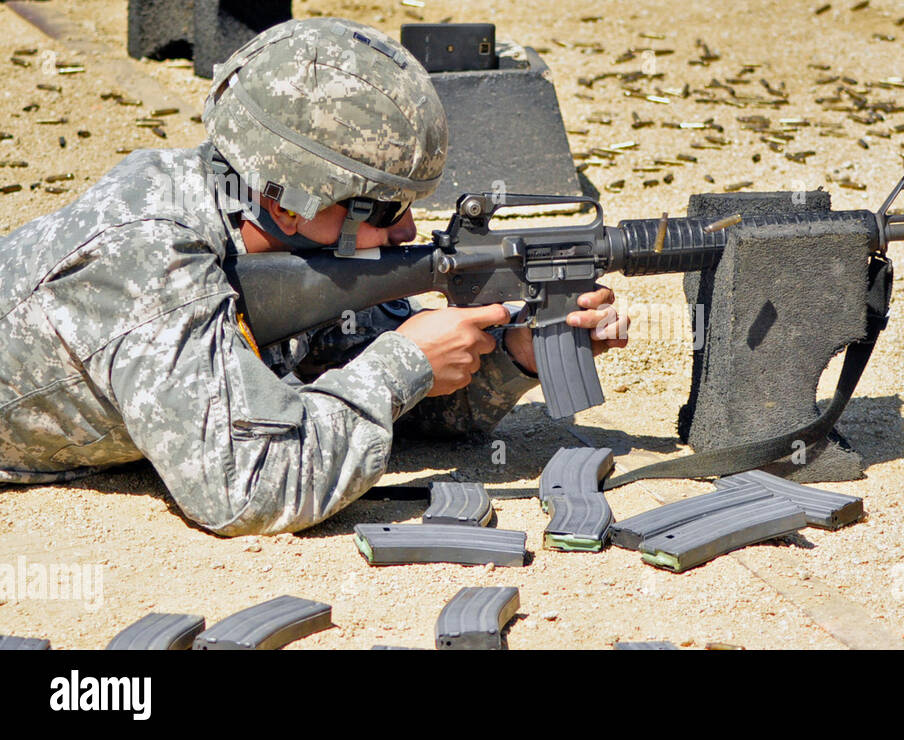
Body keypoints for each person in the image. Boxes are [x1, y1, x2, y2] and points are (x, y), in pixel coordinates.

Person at [0, 18, 628, 535]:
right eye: (383, 209)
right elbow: (246, 489)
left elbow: (368, 402)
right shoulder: (144, 259)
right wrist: (402, 363)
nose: (407, 232)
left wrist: (512, 354)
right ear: (287, 201)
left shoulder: (283, 247)